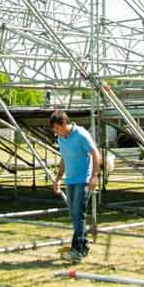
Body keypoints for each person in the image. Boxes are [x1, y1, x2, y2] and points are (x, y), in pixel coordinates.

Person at [50, 110, 102, 262]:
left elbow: (95, 153)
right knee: (74, 215)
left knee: (78, 215)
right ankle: (84, 246)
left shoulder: (81, 134)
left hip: (83, 180)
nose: (55, 131)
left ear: (65, 123)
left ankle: (76, 250)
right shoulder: (61, 138)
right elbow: (64, 159)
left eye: (57, 128)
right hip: (70, 181)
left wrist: (94, 176)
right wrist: (58, 178)